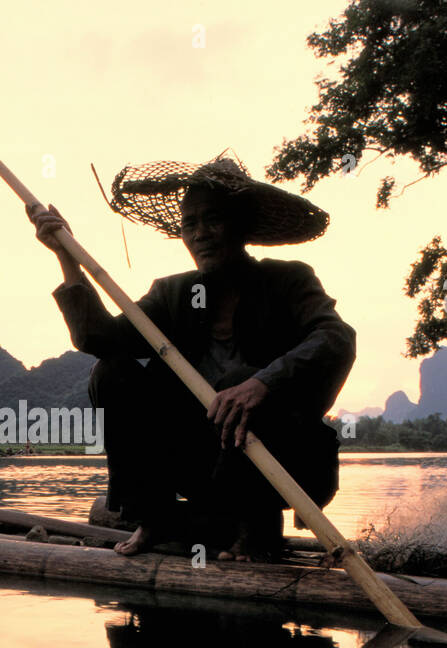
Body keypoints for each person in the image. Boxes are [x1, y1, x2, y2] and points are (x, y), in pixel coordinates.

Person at [28, 155, 355, 559]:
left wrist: (261, 384)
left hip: (281, 459)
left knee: (237, 377)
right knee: (110, 372)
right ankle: (155, 518)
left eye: (213, 219)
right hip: (198, 458)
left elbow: (336, 337)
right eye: (190, 223)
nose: (201, 234)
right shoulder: (173, 294)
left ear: (242, 225)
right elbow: (102, 338)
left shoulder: (288, 279)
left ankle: (257, 526)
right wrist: (66, 256)